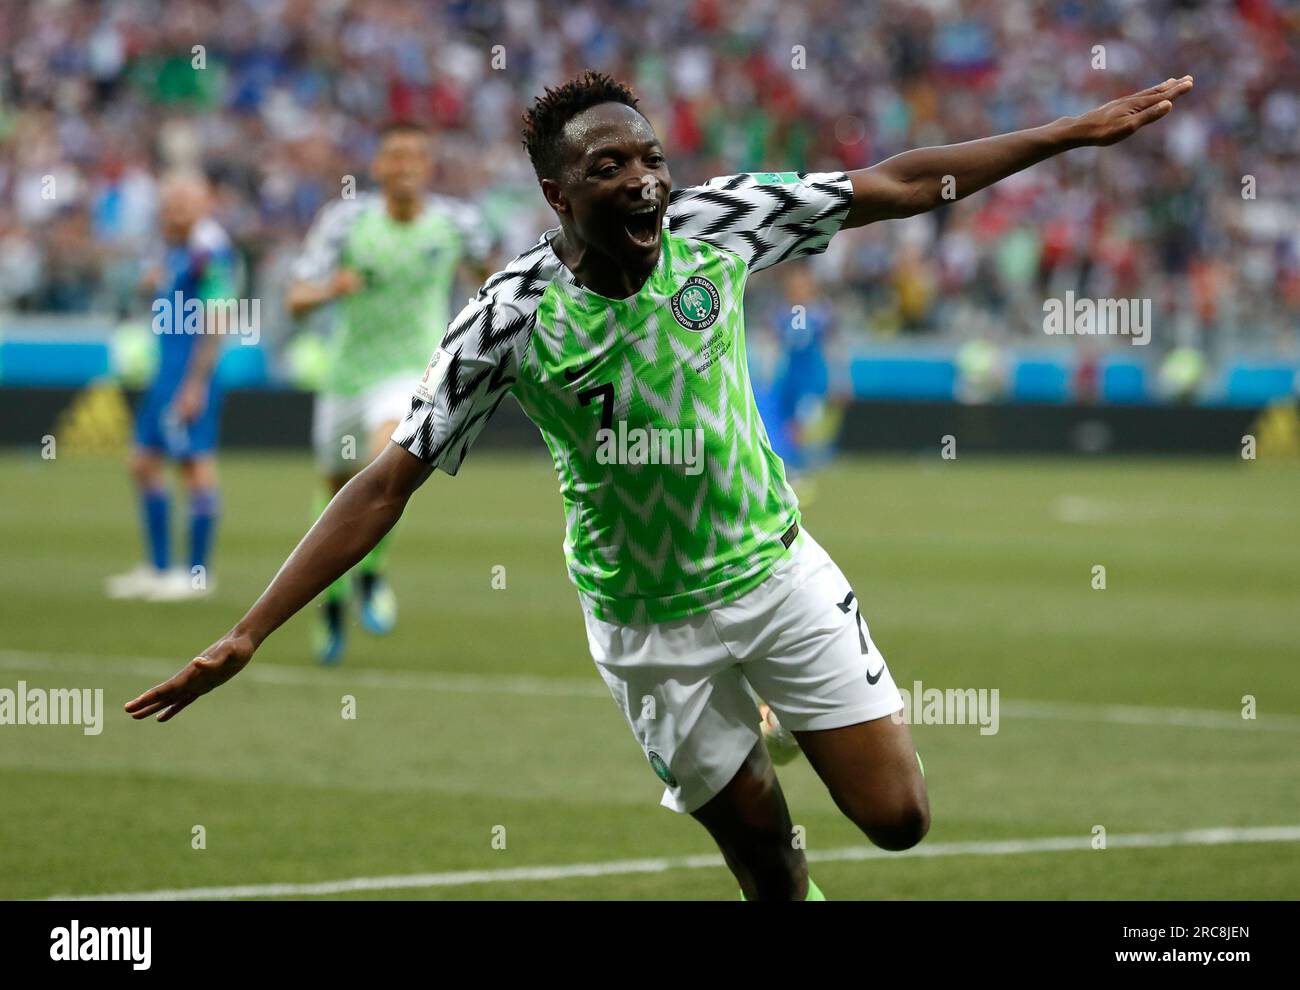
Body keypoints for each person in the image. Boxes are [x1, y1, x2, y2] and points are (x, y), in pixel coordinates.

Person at [127, 71, 1194, 900]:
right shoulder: (509, 317)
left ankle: (761, 737)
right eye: (607, 168)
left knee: (899, 817)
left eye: (648, 158)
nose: (642, 181)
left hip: (776, 575)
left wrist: (1063, 134)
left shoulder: (718, 225)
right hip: (645, 626)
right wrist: (248, 631)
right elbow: (385, 481)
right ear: (556, 195)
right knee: (769, 868)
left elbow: (899, 183)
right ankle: (749, 778)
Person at [286, 121, 494, 664]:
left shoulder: (457, 223)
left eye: (414, 157)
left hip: (413, 371)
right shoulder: (345, 220)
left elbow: (496, 272)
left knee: (387, 460)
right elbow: (295, 300)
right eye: (393, 157)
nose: (404, 166)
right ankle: (331, 599)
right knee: (335, 485)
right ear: (377, 168)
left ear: (427, 168)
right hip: (345, 376)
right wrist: (332, 288)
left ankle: (371, 573)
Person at [106, 172, 237, 602]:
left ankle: (197, 574)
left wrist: (196, 384)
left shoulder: (209, 249)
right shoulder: (174, 248)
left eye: (185, 201)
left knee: (194, 465)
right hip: (166, 373)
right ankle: (159, 568)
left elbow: (218, 318)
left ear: (204, 205)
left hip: (190, 374)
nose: (174, 209)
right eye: (170, 201)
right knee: (143, 462)